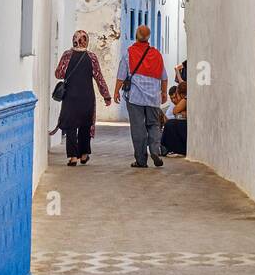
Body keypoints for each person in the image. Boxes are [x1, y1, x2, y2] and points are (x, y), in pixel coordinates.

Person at [53, 30, 111, 166]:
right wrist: (106, 95)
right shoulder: (91, 57)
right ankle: (84, 155)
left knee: (71, 126)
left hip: (70, 97)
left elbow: (59, 74)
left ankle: (73, 157)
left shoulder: (67, 55)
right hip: (87, 97)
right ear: (86, 41)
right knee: (85, 125)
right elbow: (99, 77)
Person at [114, 24, 168, 168]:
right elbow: (164, 77)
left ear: (137, 35)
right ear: (148, 37)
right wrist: (163, 93)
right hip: (153, 98)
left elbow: (121, 75)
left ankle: (141, 160)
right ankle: (155, 150)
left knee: (138, 128)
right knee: (154, 125)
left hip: (135, 98)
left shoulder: (129, 53)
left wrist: (116, 91)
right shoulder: (157, 55)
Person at [161, 84, 187, 157]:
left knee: (170, 124)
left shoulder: (185, 99)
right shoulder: (182, 100)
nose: (173, 100)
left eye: (176, 95)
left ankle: (174, 149)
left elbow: (175, 111)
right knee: (170, 124)